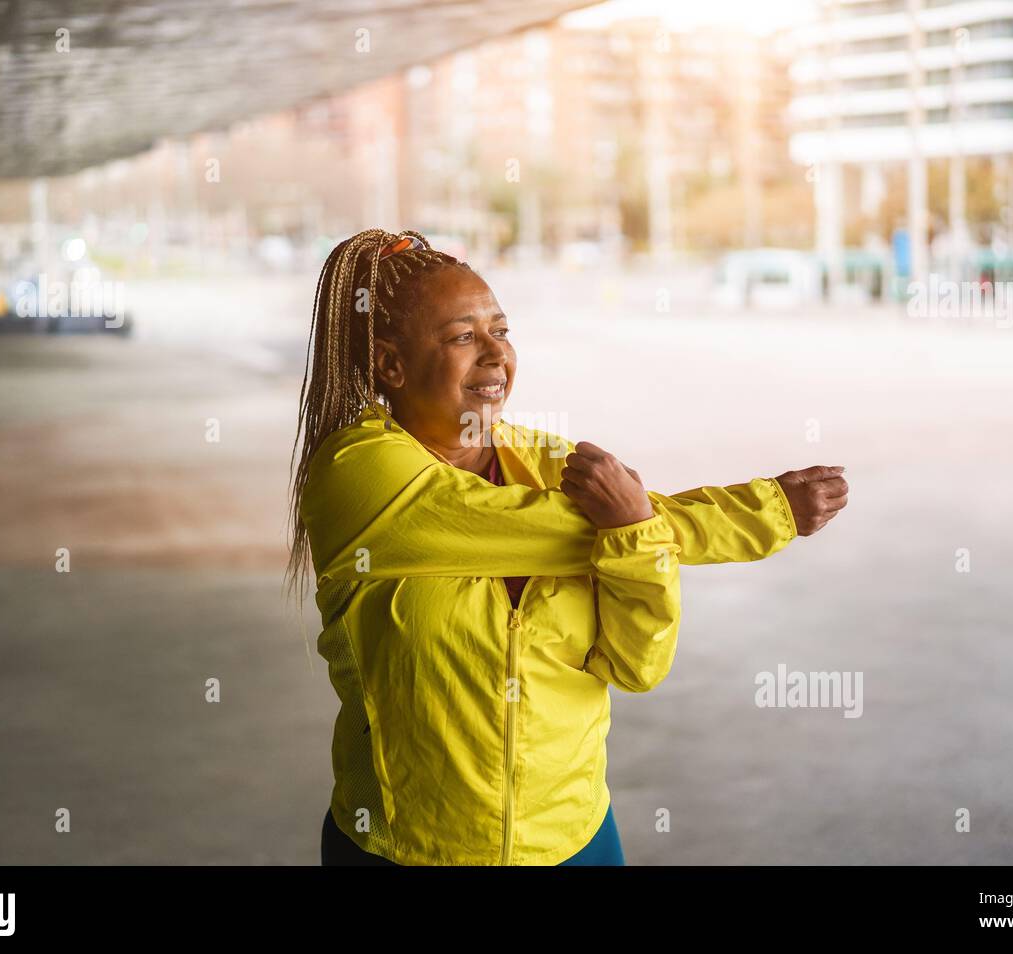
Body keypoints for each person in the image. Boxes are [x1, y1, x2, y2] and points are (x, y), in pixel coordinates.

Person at [289, 229, 848, 866]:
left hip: (574, 839)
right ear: (391, 364)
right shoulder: (359, 474)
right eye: (463, 336)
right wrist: (760, 512)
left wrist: (636, 539)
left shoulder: (553, 463)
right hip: (407, 848)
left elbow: (636, 665)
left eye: (502, 329)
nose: (497, 355)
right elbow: (572, 529)